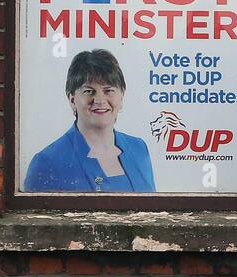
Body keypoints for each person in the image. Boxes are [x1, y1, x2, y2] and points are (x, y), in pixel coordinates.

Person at [23, 49, 156, 193]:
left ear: (122, 96)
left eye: (108, 90)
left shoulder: (139, 149)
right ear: (72, 100)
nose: (99, 100)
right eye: (89, 91)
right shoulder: (47, 163)